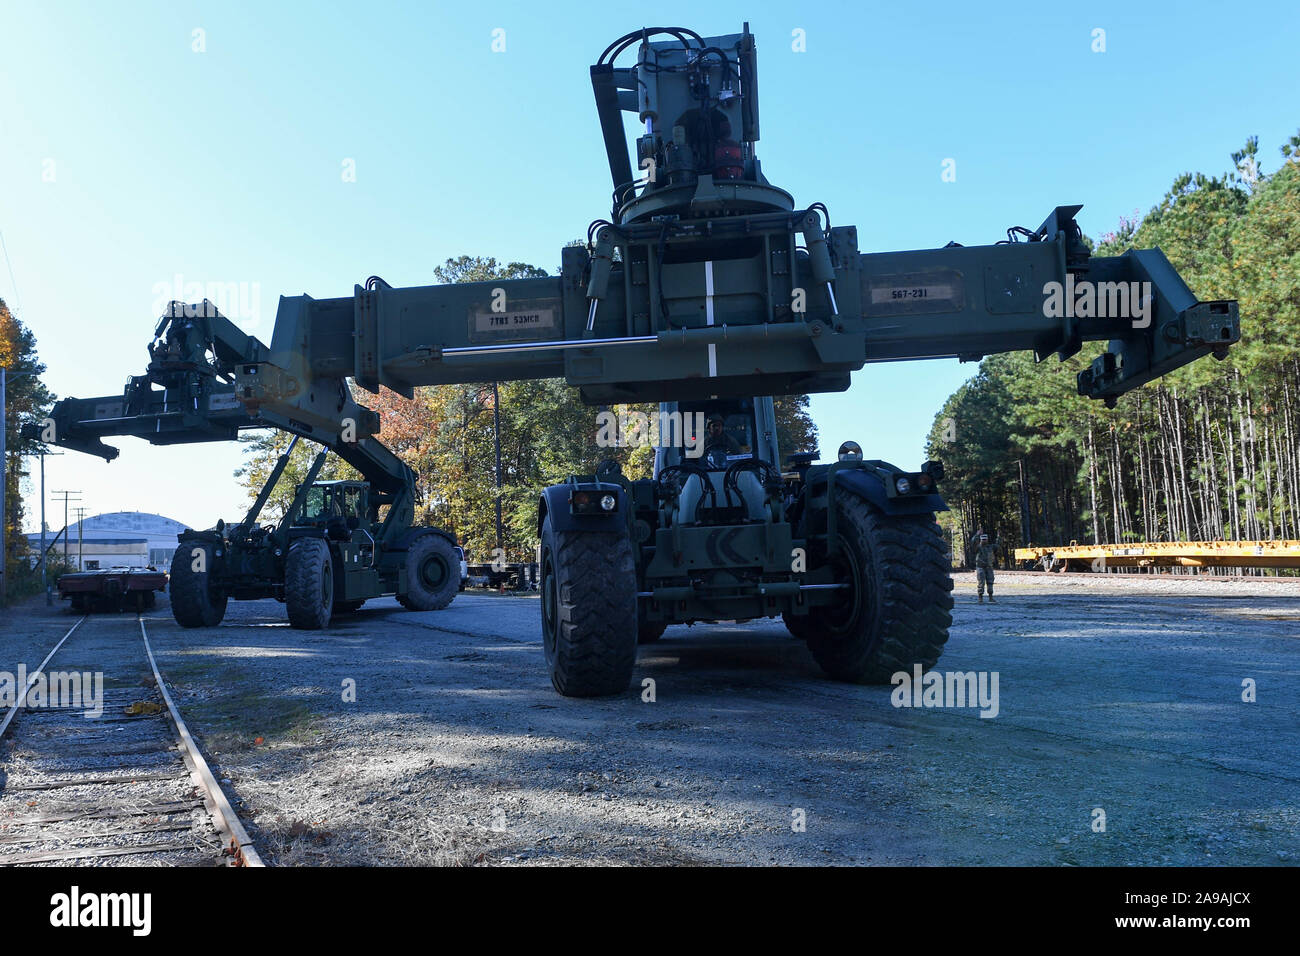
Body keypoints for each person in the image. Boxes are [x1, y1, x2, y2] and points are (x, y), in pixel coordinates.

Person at [969, 528, 999, 604]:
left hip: (989, 567)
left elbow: (998, 545)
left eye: (985, 539)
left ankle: (991, 597)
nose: (984, 540)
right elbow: (972, 543)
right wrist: (977, 535)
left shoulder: (991, 547)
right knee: (981, 583)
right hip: (980, 567)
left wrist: (999, 536)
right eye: (983, 539)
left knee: (990, 582)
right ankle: (980, 598)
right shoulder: (978, 548)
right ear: (980, 540)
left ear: (987, 540)